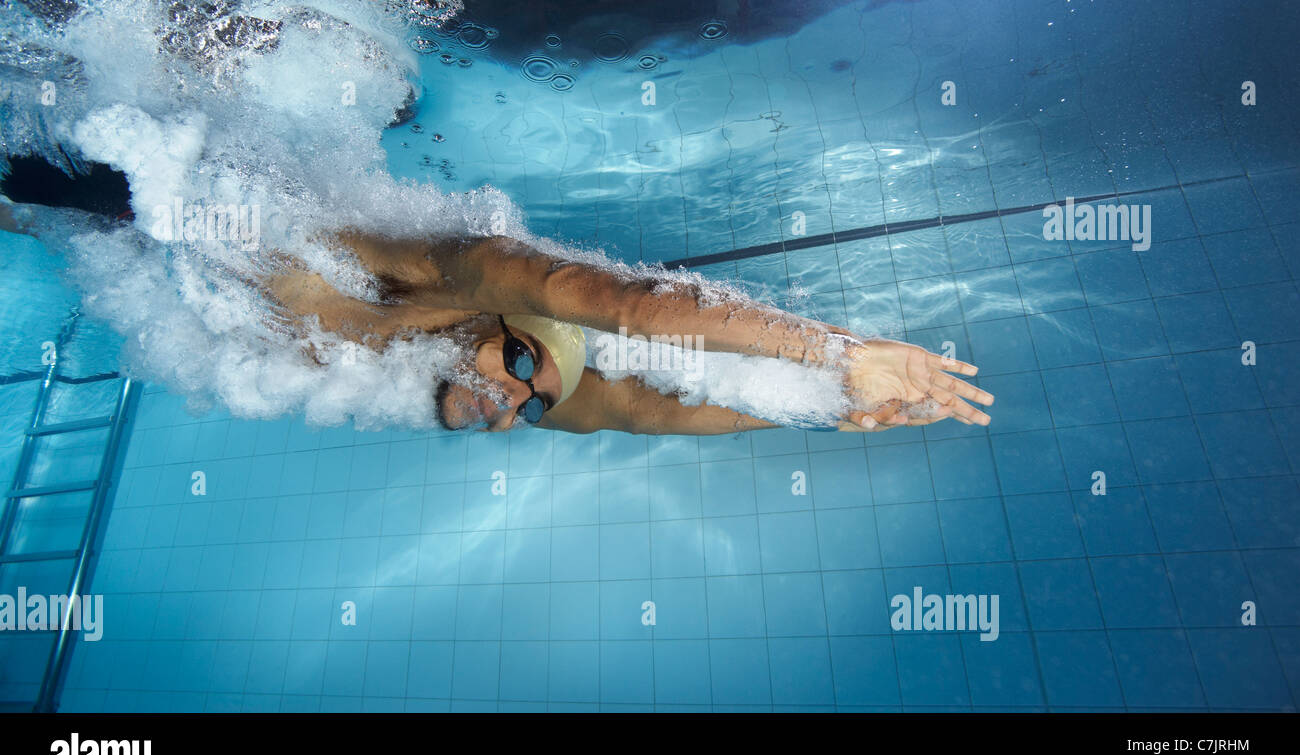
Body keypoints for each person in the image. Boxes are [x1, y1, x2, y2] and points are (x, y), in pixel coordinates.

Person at [2, 158, 994, 435]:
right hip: (175, 192)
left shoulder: (429, 374)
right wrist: (832, 352)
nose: (510, 403)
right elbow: (627, 306)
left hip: (166, 265)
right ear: (512, 330)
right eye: (522, 371)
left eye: (524, 407)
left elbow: (654, 411)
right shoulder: (444, 272)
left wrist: (823, 411)